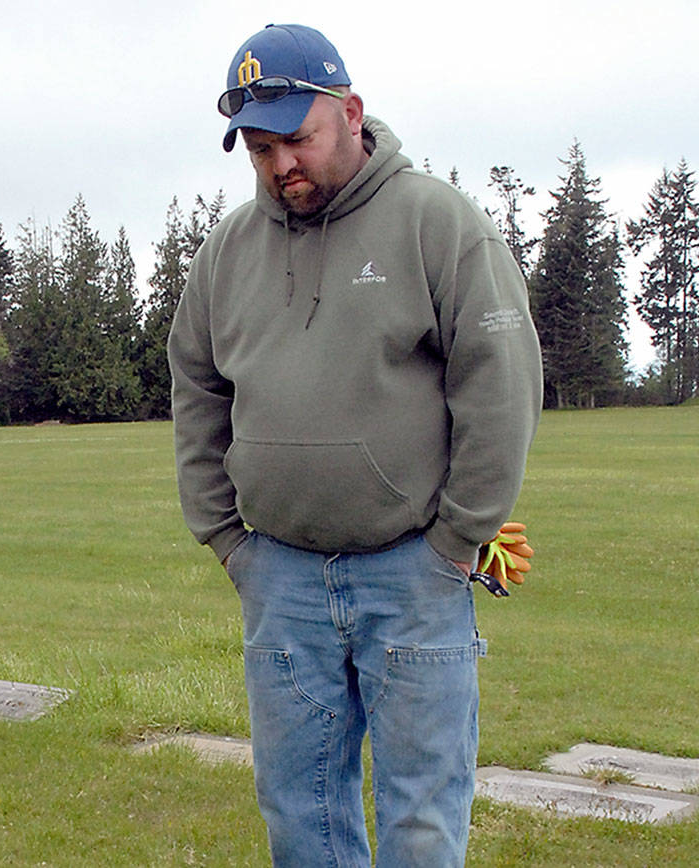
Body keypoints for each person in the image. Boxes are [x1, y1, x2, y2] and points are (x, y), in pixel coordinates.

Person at [167, 23, 543, 868]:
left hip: (414, 574)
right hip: (280, 579)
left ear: (351, 112)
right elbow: (195, 386)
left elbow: (501, 379)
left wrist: (457, 542)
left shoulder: (437, 223)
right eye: (260, 148)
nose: (279, 166)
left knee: (421, 819)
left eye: (296, 138)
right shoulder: (227, 251)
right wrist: (227, 540)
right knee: (301, 817)